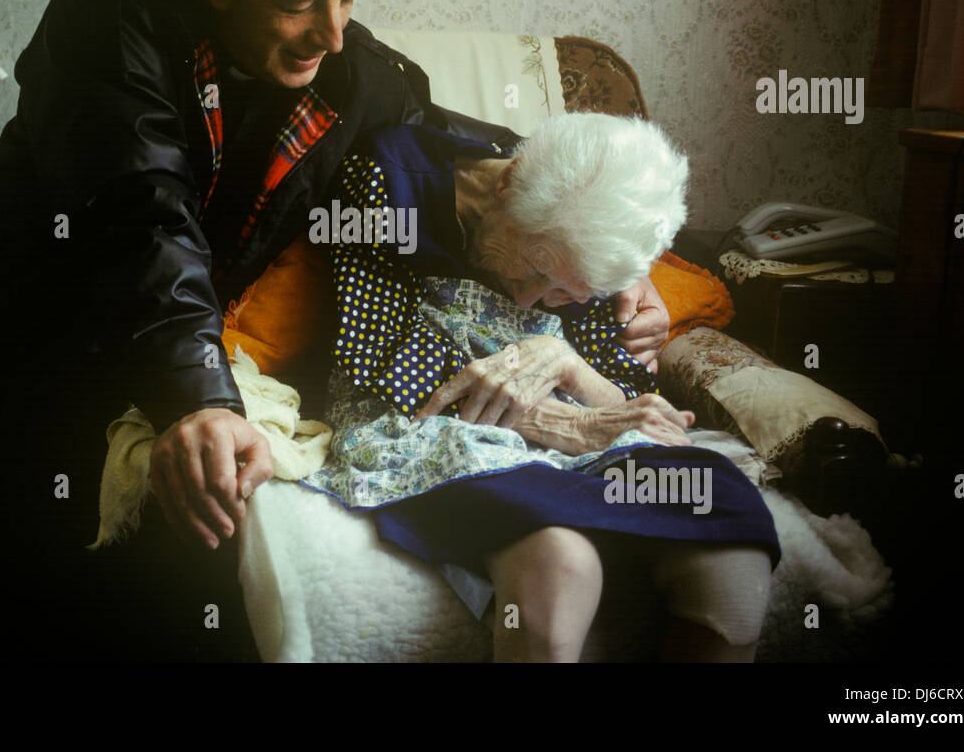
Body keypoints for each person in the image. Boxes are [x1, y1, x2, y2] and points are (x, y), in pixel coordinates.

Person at [0, 0, 673, 659]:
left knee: (124, 601)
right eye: (302, 2)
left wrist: (618, 252)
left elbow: (475, 147)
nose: (332, 34)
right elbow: (138, 213)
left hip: (151, 344)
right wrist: (198, 394)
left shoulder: (347, 69)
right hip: (8, 335)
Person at [301, 113, 780, 662]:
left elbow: (620, 385)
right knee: (561, 565)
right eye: (534, 267)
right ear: (507, 181)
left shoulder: (593, 231)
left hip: (570, 421)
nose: (530, 301)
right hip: (432, 419)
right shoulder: (387, 182)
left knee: (730, 547)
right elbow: (374, 353)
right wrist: (569, 422)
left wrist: (569, 365)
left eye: (565, 294)